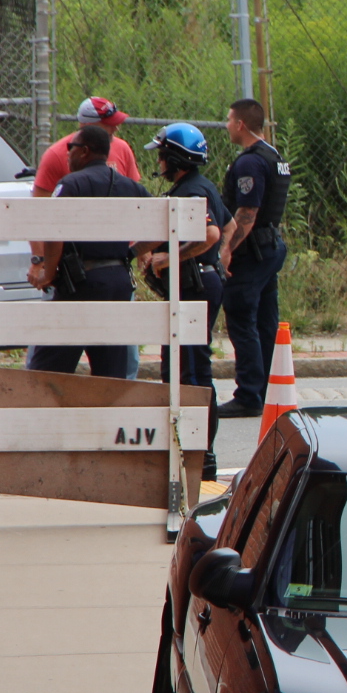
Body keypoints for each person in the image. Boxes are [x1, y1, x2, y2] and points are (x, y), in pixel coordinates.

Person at [24, 125, 151, 379]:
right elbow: (163, 227)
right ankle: (107, 418)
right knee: (110, 373)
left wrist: (48, 271)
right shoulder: (130, 187)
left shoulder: (71, 183)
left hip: (81, 283)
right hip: (118, 282)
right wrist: (131, 253)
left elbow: (54, 230)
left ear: (84, 152)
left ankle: (44, 417)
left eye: (70, 149)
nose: (66, 154)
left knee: (47, 371)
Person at [139, 123, 229, 480]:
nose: (159, 160)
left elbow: (212, 233)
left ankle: (200, 455)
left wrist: (167, 259)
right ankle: (194, 451)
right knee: (184, 366)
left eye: (162, 154)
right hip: (204, 281)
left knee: (190, 371)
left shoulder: (192, 191)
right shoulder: (199, 186)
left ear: (175, 158)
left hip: (196, 285)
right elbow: (231, 226)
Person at [217, 98, 291, 419]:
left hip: (252, 252)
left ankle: (249, 394)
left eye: (229, 120)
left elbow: (247, 212)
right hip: (270, 246)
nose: (226, 125)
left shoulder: (249, 162)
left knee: (242, 318)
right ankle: (264, 390)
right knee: (264, 321)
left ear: (241, 125)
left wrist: (226, 249)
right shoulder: (273, 155)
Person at [31, 95, 142, 195]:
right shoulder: (56, 154)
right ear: (88, 125)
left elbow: (134, 196)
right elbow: (41, 205)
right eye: (108, 124)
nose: (115, 128)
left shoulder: (123, 148)